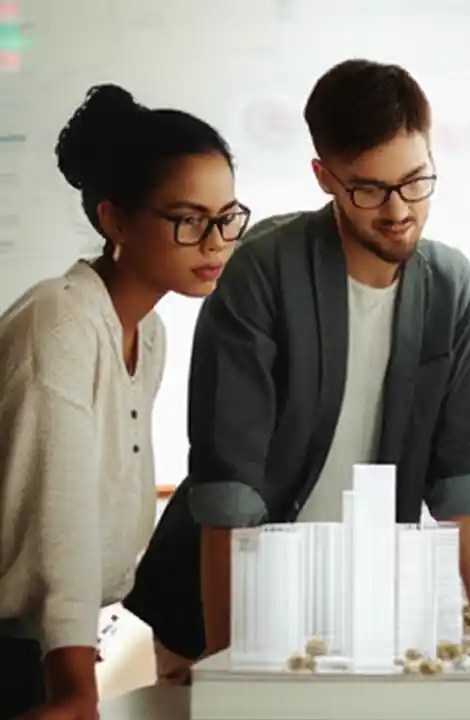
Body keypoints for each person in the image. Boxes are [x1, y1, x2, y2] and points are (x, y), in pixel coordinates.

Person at [123, 59, 470, 681]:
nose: (398, 210)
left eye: (415, 181)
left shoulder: (448, 284)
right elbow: (228, 487)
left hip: (359, 610)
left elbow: (458, 476)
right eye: (369, 189)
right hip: (224, 603)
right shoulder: (263, 269)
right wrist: (227, 667)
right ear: (325, 177)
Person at [0, 85, 244, 720]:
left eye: (227, 216)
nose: (215, 240)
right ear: (114, 221)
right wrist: (74, 685)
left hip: (45, 647)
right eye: (188, 219)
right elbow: (63, 517)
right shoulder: (61, 321)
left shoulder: (148, 332)